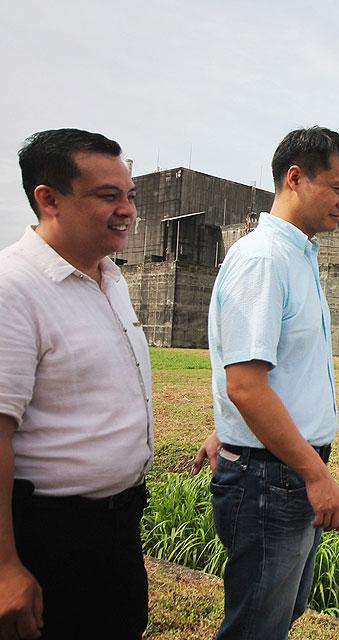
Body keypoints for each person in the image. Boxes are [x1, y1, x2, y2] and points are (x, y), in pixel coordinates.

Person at [192, 127, 339, 640]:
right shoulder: (265, 260)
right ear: (295, 178)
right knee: (257, 627)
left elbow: (268, 369)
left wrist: (227, 427)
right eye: (336, 188)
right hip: (274, 479)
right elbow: (246, 385)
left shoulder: (298, 255)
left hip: (277, 469)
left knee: (280, 612)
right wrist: (315, 475)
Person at [0, 129, 151, 639]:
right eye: (108, 196)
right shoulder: (14, 289)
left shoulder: (110, 278)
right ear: (49, 199)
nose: (127, 210)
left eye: (129, 196)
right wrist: (4, 567)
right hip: (49, 535)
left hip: (118, 526)